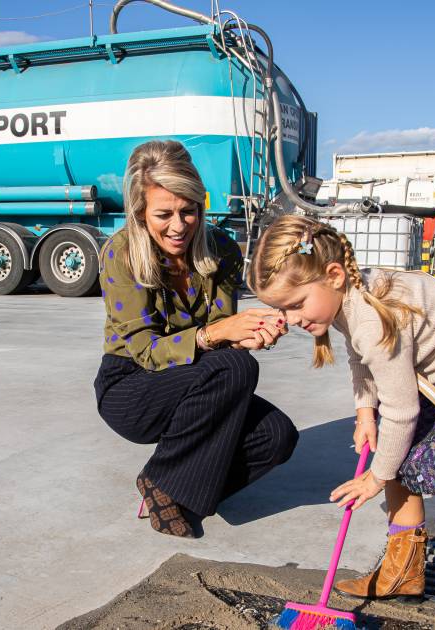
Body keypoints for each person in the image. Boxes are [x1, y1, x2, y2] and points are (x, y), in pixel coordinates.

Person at [249, 215, 435, 630]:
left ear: (333, 275)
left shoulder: (372, 317)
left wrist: (376, 477)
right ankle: (403, 573)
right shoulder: (348, 297)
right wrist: (365, 412)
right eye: (282, 308)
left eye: (296, 304)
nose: (291, 318)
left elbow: (402, 411)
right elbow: (360, 358)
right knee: (399, 456)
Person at [93, 140, 298, 539]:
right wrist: (219, 334)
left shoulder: (220, 249)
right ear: (140, 212)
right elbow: (147, 351)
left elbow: (224, 339)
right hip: (131, 384)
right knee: (235, 367)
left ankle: (179, 489)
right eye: (163, 214)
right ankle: (161, 480)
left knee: (277, 437)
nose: (178, 226)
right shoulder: (121, 253)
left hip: (198, 377)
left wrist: (252, 333)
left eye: (188, 211)